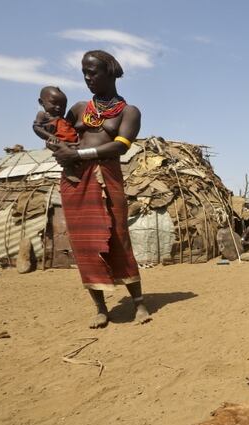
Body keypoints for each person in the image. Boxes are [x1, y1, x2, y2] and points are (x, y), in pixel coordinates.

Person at [51, 50, 151, 328]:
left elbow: (120, 146)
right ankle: (100, 308)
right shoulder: (79, 109)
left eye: (92, 72)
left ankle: (139, 303)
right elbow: (60, 132)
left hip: (107, 177)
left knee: (119, 236)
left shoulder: (129, 112)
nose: (87, 78)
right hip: (74, 181)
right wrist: (57, 145)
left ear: (109, 72)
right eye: (84, 72)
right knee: (84, 243)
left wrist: (80, 155)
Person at [32, 86, 81, 183]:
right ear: (41, 102)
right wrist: (50, 136)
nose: (58, 107)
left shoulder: (63, 118)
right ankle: (68, 170)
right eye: (54, 103)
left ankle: (77, 168)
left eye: (63, 106)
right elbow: (36, 127)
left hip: (71, 142)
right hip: (56, 141)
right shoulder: (43, 115)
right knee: (64, 151)